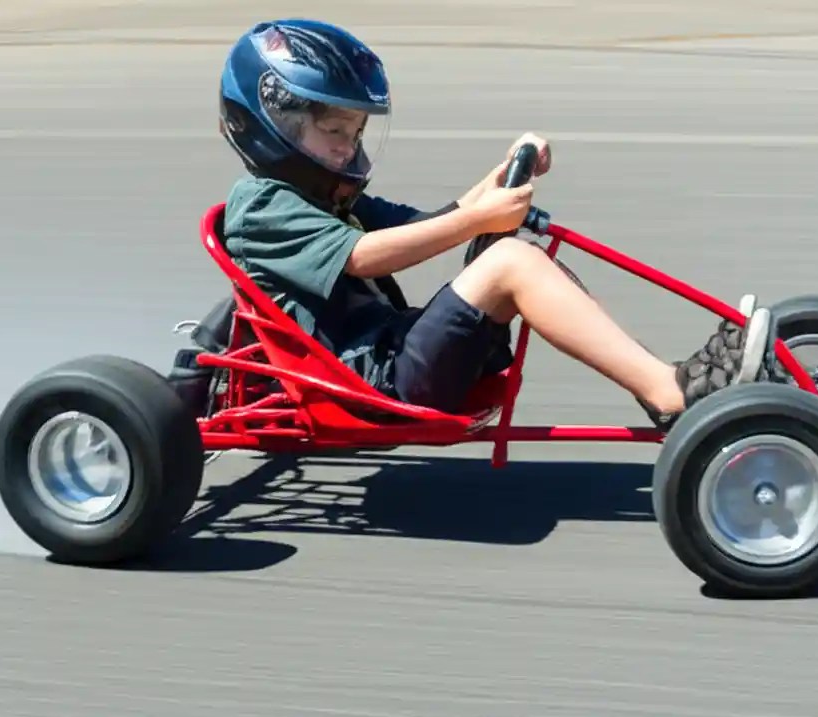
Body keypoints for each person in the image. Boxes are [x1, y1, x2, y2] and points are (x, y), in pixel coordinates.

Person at [181, 18, 777, 430]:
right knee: (511, 263)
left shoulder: (327, 194)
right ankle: (670, 391)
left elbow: (435, 224)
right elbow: (366, 257)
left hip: (399, 355)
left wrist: (502, 177)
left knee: (513, 249)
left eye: (355, 133)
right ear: (269, 125)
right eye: (333, 131)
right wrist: (478, 220)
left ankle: (662, 381)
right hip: (376, 383)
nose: (347, 147)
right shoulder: (262, 206)